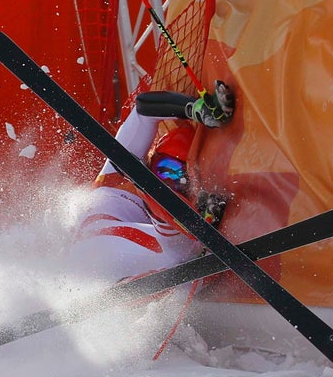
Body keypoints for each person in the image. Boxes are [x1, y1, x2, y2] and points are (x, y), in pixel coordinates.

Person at [68, 81, 235, 282]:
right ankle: (195, 239)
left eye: (181, 176)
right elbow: (142, 110)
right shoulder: (116, 173)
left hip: (162, 249)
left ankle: (195, 240)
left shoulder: (182, 204)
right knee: (152, 192)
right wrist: (195, 108)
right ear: (153, 158)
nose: (174, 180)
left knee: (173, 244)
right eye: (167, 169)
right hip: (95, 245)